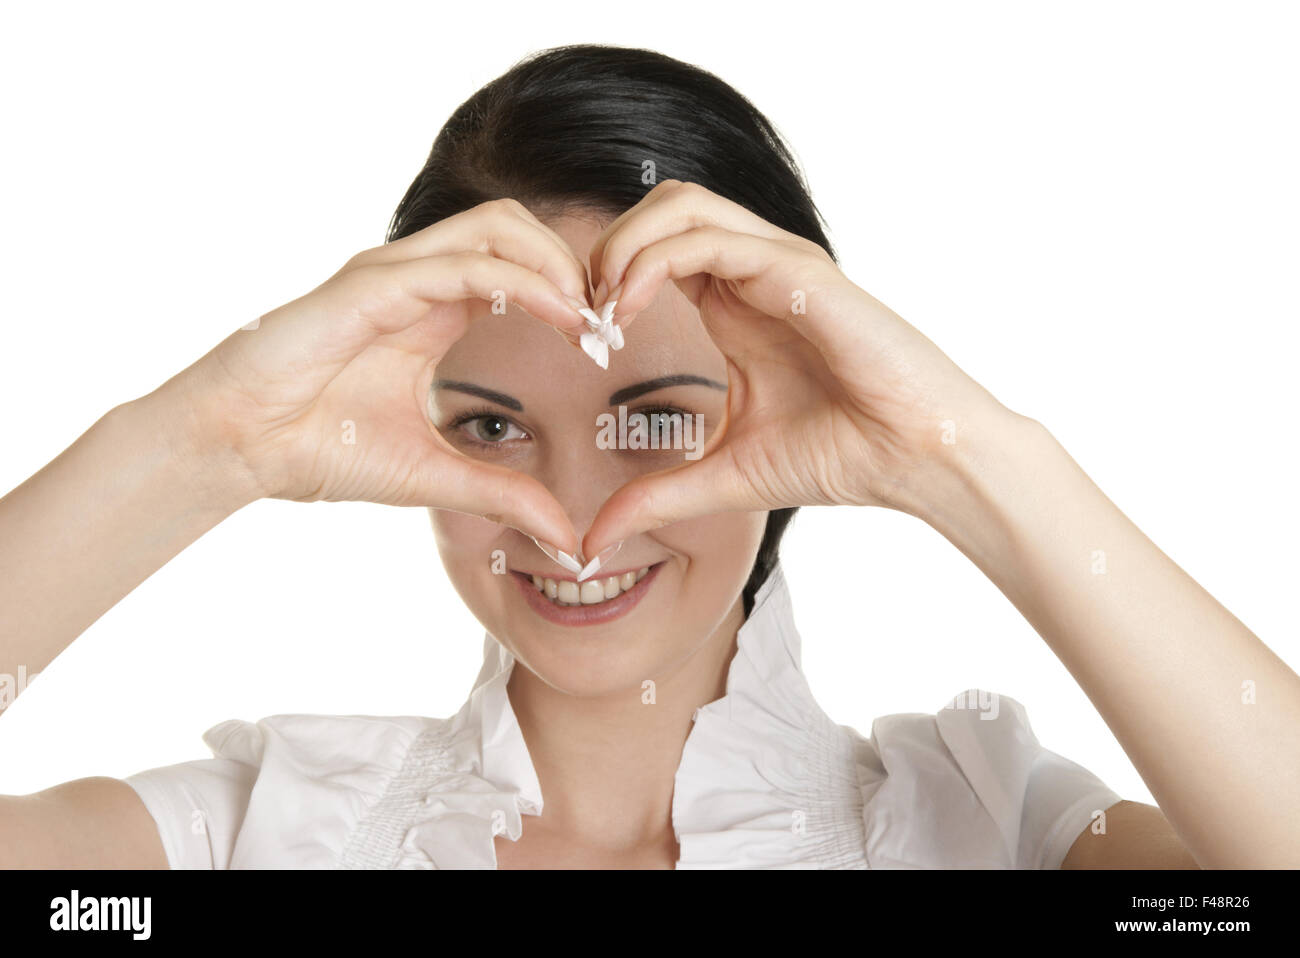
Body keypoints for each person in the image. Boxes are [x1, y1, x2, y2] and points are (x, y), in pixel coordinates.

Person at [1, 45, 1291, 869]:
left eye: (657, 416)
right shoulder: (246, 838)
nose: (573, 521)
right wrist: (208, 440)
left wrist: (964, 459)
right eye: (491, 426)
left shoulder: (987, 836)